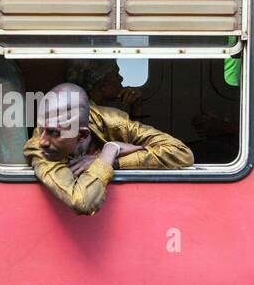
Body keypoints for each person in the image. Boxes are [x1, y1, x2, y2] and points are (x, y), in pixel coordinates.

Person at [23, 83, 193, 215]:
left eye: (54, 132)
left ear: (82, 135)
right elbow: (83, 201)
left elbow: (181, 153)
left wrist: (111, 159)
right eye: (41, 128)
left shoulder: (115, 122)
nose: (43, 141)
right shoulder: (40, 147)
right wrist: (109, 153)